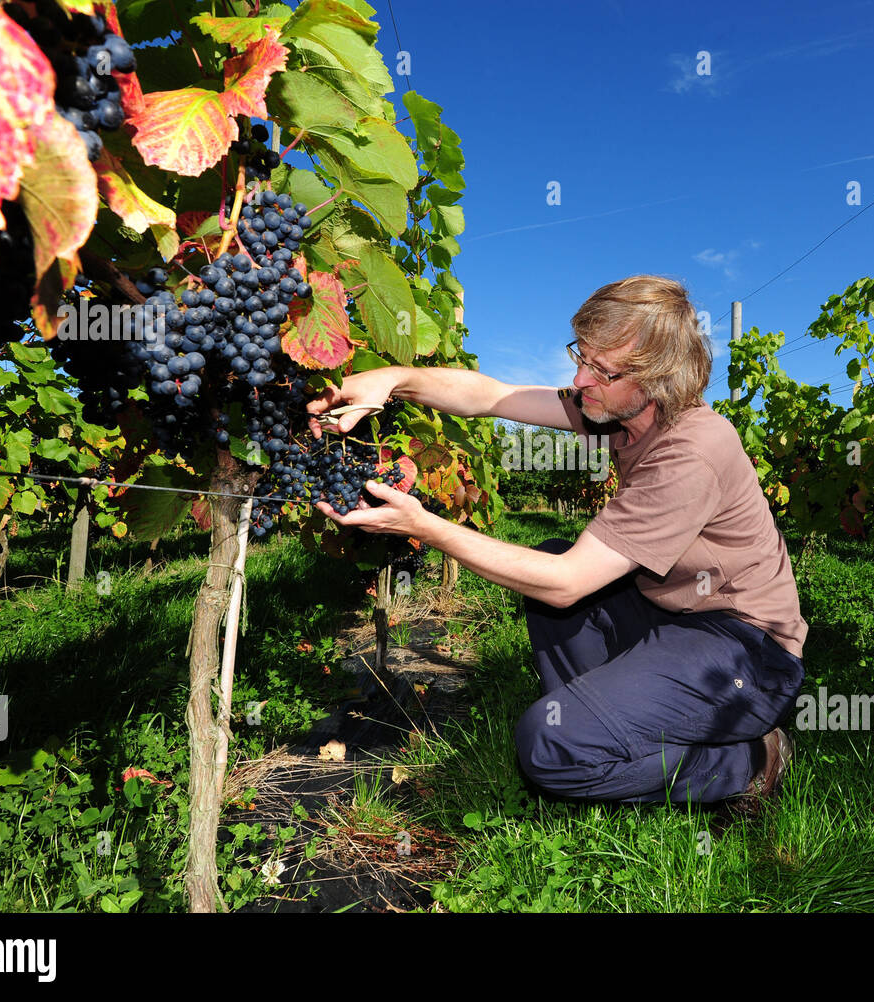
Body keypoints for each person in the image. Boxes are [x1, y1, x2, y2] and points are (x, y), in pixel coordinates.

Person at [305, 275, 807, 807]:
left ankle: (751, 762)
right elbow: (493, 397)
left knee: (548, 748)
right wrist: (390, 380)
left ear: (658, 379)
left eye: (601, 369)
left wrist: (425, 527)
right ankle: (612, 729)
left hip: (748, 653)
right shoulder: (617, 413)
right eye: (581, 357)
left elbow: (568, 584)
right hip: (675, 615)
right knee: (545, 559)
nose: (579, 378)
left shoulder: (693, 449)